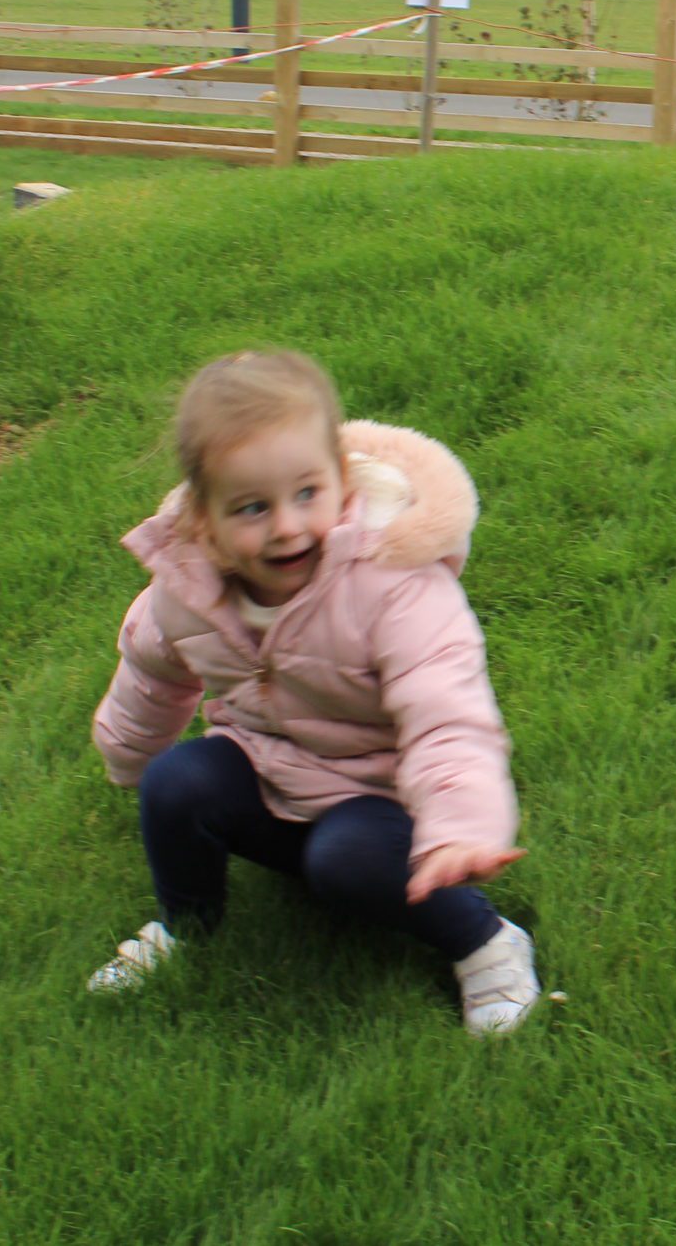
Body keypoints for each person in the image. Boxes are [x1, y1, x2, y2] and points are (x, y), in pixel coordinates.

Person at [86, 350, 539, 1036]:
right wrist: (127, 754)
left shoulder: (394, 583)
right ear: (203, 519)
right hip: (269, 774)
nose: (288, 526)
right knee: (176, 780)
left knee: (345, 858)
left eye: (307, 493)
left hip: (378, 803)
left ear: (342, 478)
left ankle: (485, 940)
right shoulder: (187, 588)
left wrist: (461, 827)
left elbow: (447, 715)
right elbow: (151, 672)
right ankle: (187, 924)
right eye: (251, 508)